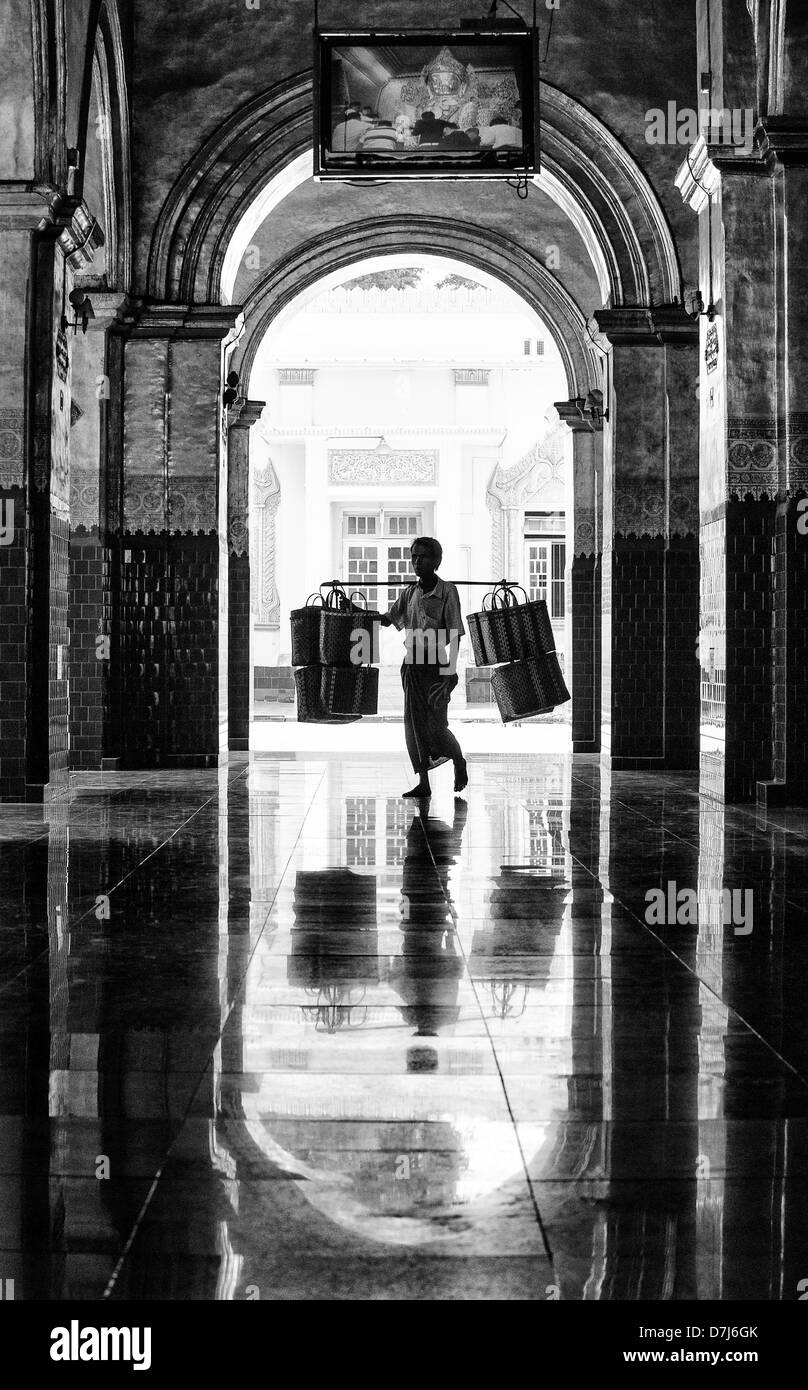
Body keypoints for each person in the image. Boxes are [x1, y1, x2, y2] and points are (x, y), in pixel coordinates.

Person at [379, 537, 468, 798]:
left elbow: (455, 634)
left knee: (435, 725)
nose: (417, 561)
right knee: (414, 727)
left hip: (437, 668)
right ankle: (424, 783)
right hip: (412, 668)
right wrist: (357, 612)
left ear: (437, 561)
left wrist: (450, 675)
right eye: (414, 557)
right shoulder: (409, 593)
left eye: (423, 557)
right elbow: (387, 619)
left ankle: (459, 761)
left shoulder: (447, 591)